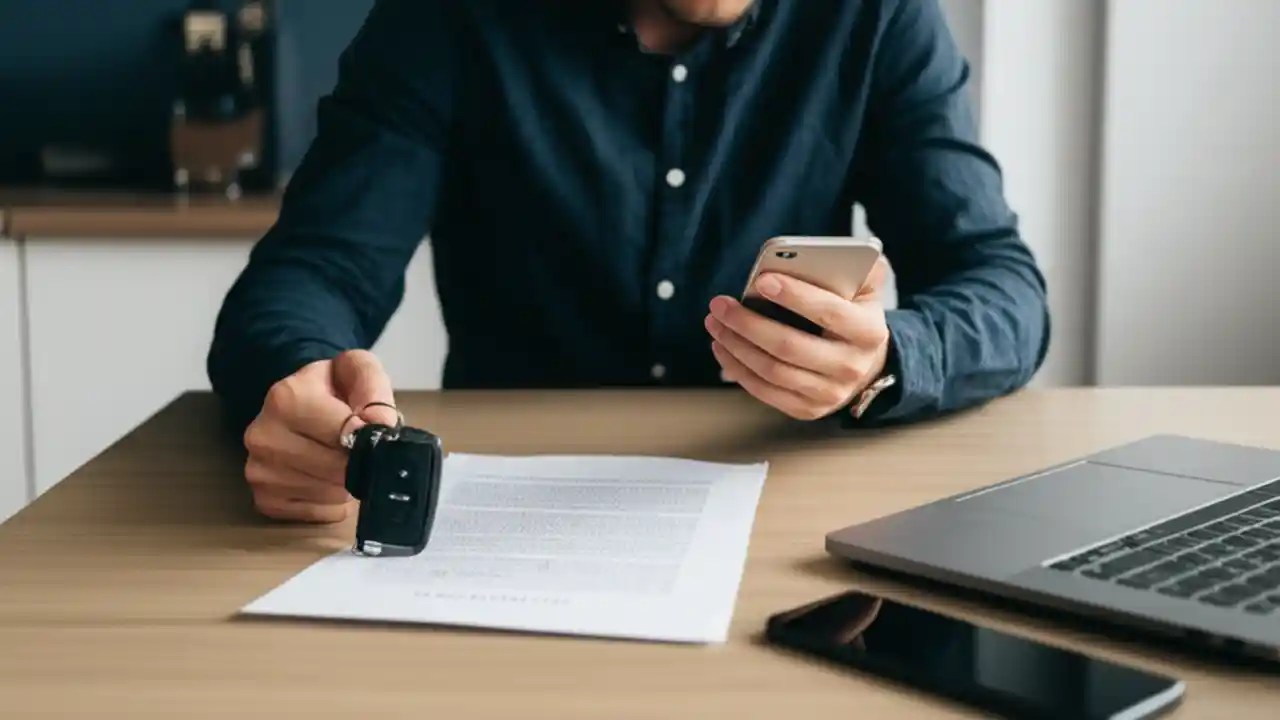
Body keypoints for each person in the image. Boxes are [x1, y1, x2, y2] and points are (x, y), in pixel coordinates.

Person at [208, 0, 1050, 524]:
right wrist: (300, 387)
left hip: (785, 510)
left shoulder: (879, 15)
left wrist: (885, 360)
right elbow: (310, 275)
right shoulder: (444, 16)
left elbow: (1002, 285)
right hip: (499, 516)